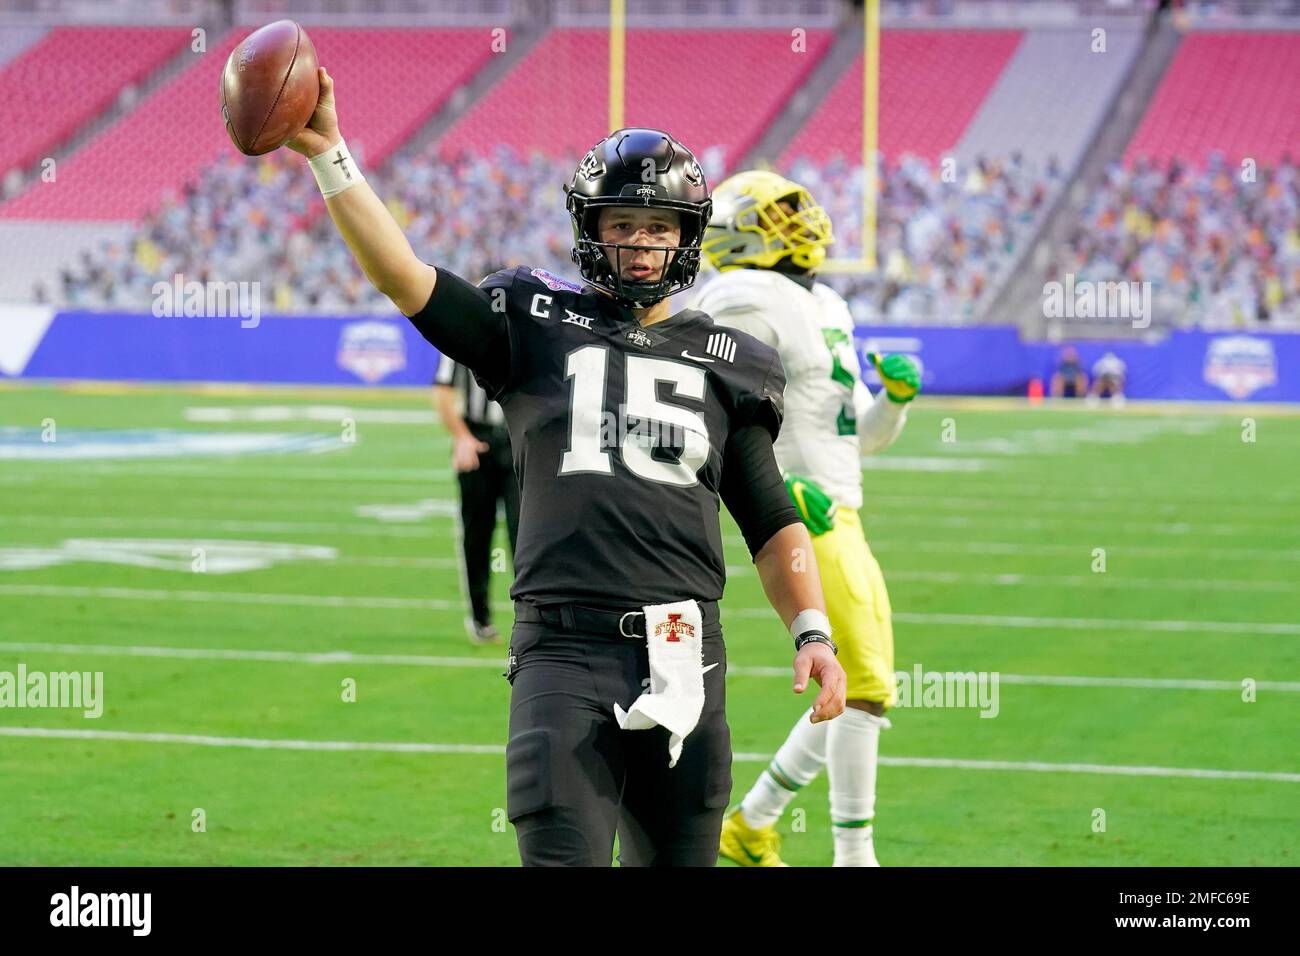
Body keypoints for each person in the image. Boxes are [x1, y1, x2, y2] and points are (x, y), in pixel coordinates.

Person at [285, 67, 847, 866]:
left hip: (689, 648)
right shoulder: (536, 320)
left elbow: (769, 515)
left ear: (689, 235)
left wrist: (812, 630)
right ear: (592, 227)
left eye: (660, 227)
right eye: (624, 223)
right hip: (563, 650)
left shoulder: (732, 359)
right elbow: (404, 278)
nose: (643, 244)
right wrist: (330, 152)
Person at [690, 169, 921, 867]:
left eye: (798, 210)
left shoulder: (824, 304)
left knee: (866, 686)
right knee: (870, 687)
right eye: (780, 214)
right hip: (801, 516)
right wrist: (782, 486)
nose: (802, 222)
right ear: (740, 231)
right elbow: (711, 413)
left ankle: (753, 823)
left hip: (842, 508)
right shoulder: (739, 297)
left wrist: (896, 401)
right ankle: (855, 856)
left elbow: (860, 437)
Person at [433, 348, 519, 644]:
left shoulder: (524, 329)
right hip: (477, 441)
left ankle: (529, 618)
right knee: (477, 535)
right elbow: (443, 394)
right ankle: (480, 617)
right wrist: (461, 437)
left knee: (524, 535)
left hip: (517, 442)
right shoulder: (461, 335)